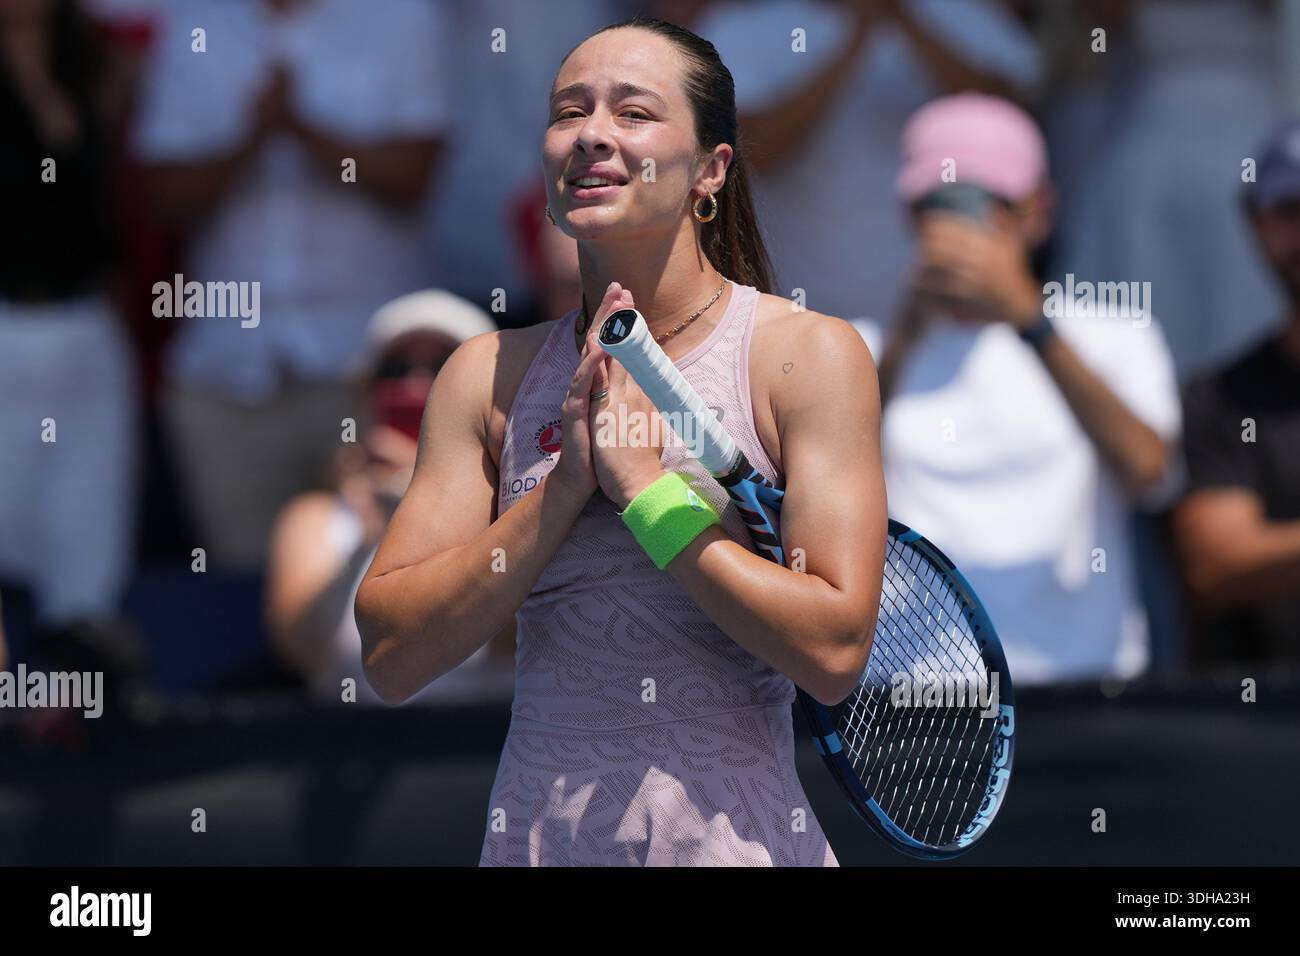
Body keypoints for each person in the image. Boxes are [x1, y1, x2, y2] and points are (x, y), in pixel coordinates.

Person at [355, 15, 887, 867]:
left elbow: (832, 650)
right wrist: (562, 489)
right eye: (570, 111)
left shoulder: (805, 355)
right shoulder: (483, 372)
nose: (592, 134)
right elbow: (388, 653)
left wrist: (650, 496)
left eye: (633, 113)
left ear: (710, 170)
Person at [851, 93, 1181, 686]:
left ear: (1039, 212)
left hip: (1084, 683)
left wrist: (1030, 319)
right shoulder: (860, 348)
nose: (960, 224)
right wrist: (908, 333)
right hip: (911, 703)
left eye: (988, 204)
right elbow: (825, 491)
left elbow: (1152, 474)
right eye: (938, 203)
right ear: (909, 215)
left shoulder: (1115, 334)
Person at [131, 0, 451, 570]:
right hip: (227, 377)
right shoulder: (193, 25)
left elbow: (415, 176)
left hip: (363, 371)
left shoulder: (404, 17)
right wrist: (252, 139)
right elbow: (160, 196)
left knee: (382, 578)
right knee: (240, 607)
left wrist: (299, 128)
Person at [694, 0, 1040, 325]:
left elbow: (1008, 118)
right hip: (797, 313)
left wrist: (904, 18)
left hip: (938, 320)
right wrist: (858, 34)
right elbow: (755, 151)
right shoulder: (741, 29)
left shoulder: (961, 12)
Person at [265, 291, 512, 705]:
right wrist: (367, 540)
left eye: (442, 368)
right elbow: (304, 656)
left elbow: (520, 640)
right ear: (366, 390)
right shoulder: (314, 517)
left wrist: (432, 502)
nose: (415, 384)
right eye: (395, 369)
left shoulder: (521, 503)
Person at [0, 0, 140, 636]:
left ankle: (76, 702)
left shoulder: (94, 63)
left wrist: (31, 69)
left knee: (85, 537)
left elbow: (82, 176)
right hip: (8, 321)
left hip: (83, 325)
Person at [1173, 119, 1300, 666]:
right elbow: (1214, 563)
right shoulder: (1219, 399)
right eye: (1292, 211)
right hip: (1264, 730)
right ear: (1255, 226)